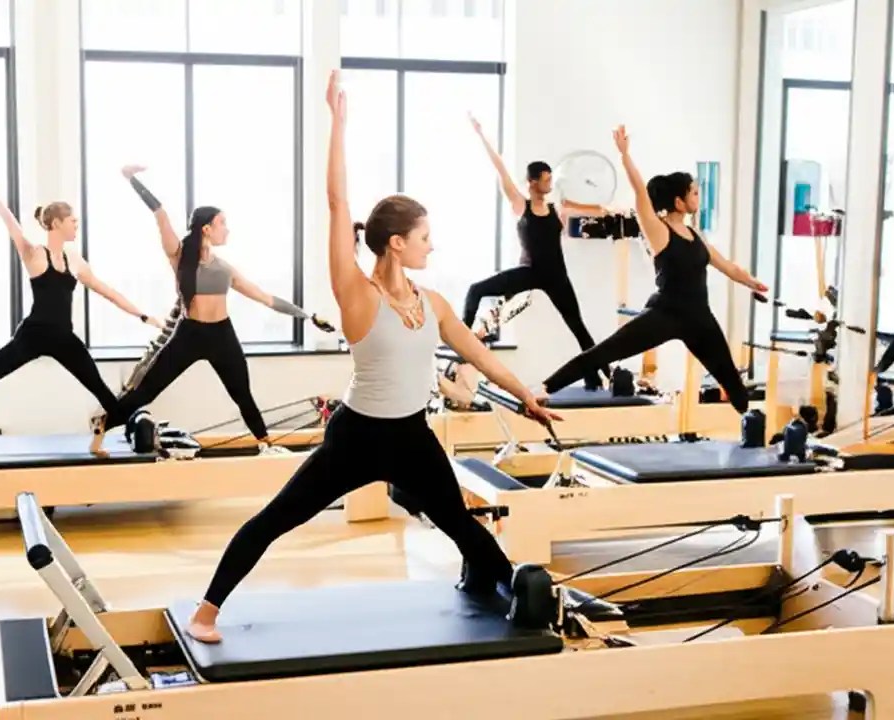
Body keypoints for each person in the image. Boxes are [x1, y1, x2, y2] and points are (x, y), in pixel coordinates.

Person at [182, 70, 563, 643]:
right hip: (356, 437)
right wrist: (337, 125)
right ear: (397, 243)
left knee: (459, 522)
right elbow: (338, 202)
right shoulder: (357, 294)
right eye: (425, 237)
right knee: (279, 517)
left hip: (413, 436)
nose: (433, 245)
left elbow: (481, 357)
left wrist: (526, 396)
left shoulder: (433, 303)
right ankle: (206, 611)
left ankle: (517, 596)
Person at [106, 165, 335, 454]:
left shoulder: (225, 269)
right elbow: (160, 213)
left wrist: (307, 316)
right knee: (146, 391)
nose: (227, 229)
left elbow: (265, 297)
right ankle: (102, 428)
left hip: (221, 335)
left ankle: (266, 445)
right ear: (206, 228)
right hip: (188, 334)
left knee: (242, 395)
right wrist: (132, 179)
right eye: (222, 223)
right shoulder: (179, 256)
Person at [538, 126, 768, 414]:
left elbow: (728, 266)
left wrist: (752, 283)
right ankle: (544, 388)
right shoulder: (659, 231)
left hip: (699, 318)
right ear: (678, 202)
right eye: (694, 192)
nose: (698, 196)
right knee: (603, 353)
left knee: (733, 382)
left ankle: (750, 426)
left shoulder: (695, 235)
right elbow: (640, 193)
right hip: (664, 315)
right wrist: (625, 155)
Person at [0, 167, 161, 452]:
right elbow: (8, 219)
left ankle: (103, 431)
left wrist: (143, 315)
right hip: (32, 335)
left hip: (63, 339)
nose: (76, 225)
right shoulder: (34, 254)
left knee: (106, 396)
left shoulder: (75, 260)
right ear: (56, 223)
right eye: (72, 220)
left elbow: (107, 291)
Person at [461, 113, 612, 389]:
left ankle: (602, 376)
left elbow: (595, 209)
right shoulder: (521, 205)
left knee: (578, 327)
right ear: (532, 182)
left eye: (551, 179)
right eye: (545, 180)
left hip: (557, 277)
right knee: (475, 290)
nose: (550, 184)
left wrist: (611, 211)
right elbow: (500, 170)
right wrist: (482, 135)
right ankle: (464, 344)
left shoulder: (558, 209)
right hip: (529, 272)